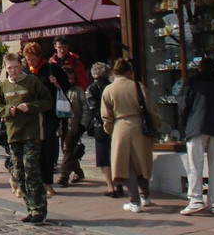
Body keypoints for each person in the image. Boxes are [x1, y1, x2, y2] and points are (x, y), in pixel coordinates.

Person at [0, 51, 53, 224]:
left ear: (21, 66)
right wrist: (7, 111)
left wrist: (31, 106)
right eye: (9, 68)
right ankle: (30, 207)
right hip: (14, 133)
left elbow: (47, 101)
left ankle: (39, 209)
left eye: (16, 67)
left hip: (32, 133)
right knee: (18, 172)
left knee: (31, 169)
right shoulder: (5, 85)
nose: (13, 71)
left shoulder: (32, 81)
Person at [178, 57, 214, 215]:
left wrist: (185, 123)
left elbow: (183, 105)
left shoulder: (192, 82)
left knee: (195, 165)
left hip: (196, 126)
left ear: (200, 68)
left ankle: (196, 200)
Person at [102, 58, 161, 213]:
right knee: (142, 163)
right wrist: (155, 125)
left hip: (120, 127)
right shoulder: (137, 86)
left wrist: (110, 130)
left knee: (126, 166)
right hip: (140, 126)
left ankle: (134, 201)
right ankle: (145, 196)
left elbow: (106, 116)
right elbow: (151, 109)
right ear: (129, 72)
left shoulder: (109, 90)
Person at [23, 41, 68, 197]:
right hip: (31, 116)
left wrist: (57, 83)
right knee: (33, 149)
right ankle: (35, 182)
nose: (30, 62)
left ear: (39, 56)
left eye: (32, 59)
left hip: (49, 115)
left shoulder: (51, 68)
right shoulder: (25, 71)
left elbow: (67, 85)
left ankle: (48, 182)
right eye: (28, 59)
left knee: (47, 147)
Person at [85, 61, 122, 197]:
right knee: (116, 155)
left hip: (100, 126)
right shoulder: (113, 87)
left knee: (103, 157)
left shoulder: (92, 88)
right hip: (117, 124)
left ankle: (110, 186)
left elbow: (92, 107)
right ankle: (119, 183)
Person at [57, 63, 86, 186]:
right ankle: (79, 172)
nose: (71, 81)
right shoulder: (58, 91)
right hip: (61, 126)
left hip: (74, 125)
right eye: (68, 78)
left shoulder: (78, 91)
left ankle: (64, 176)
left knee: (67, 149)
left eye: (72, 78)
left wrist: (83, 124)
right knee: (67, 152)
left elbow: (86, 109)